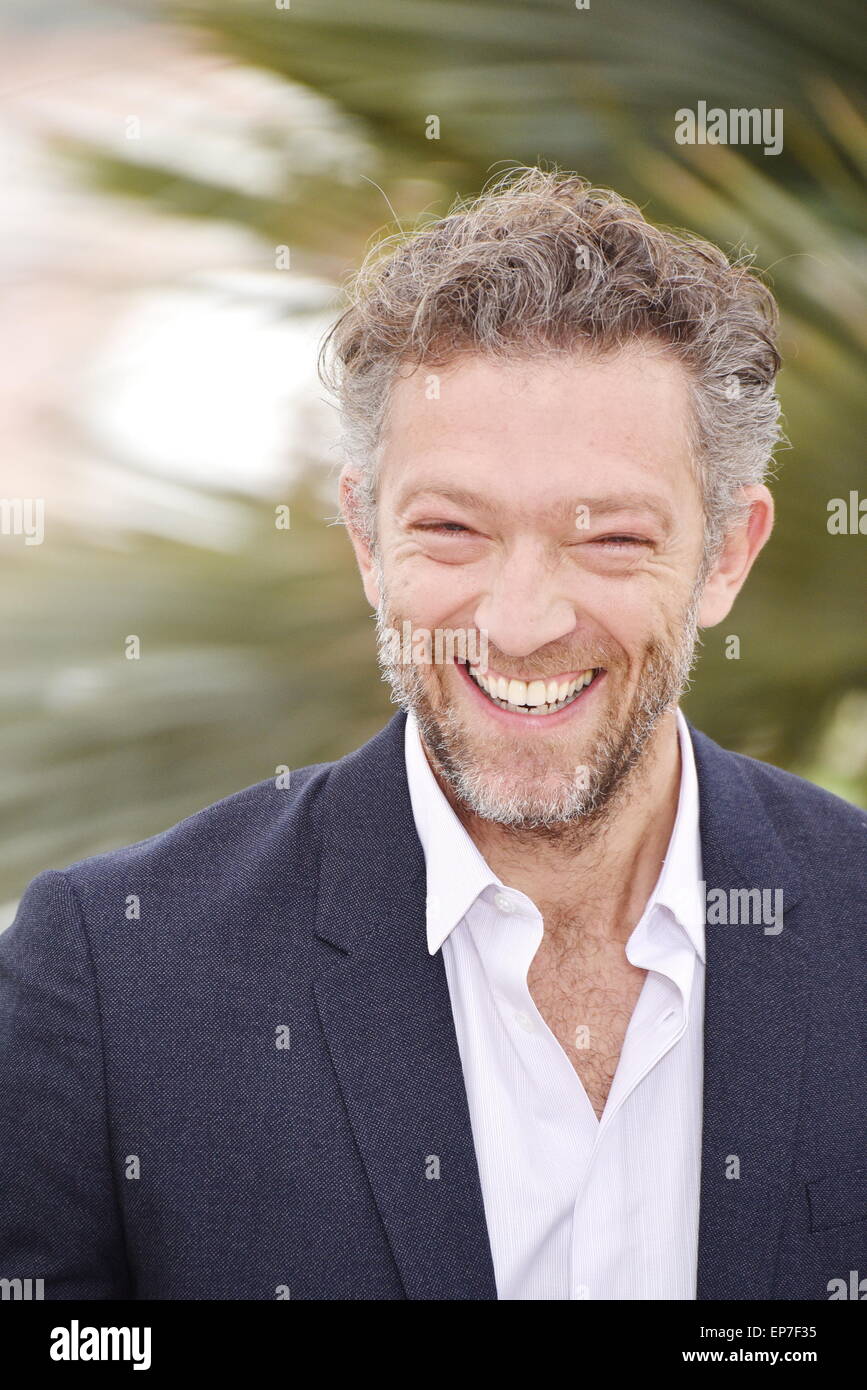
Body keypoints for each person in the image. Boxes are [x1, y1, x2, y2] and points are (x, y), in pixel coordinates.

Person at [1, 168, 864, 1301]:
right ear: (366, 536)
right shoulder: (111, 976)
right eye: (452, 528)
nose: (520, 621)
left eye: (607, 537)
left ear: (727, 555)